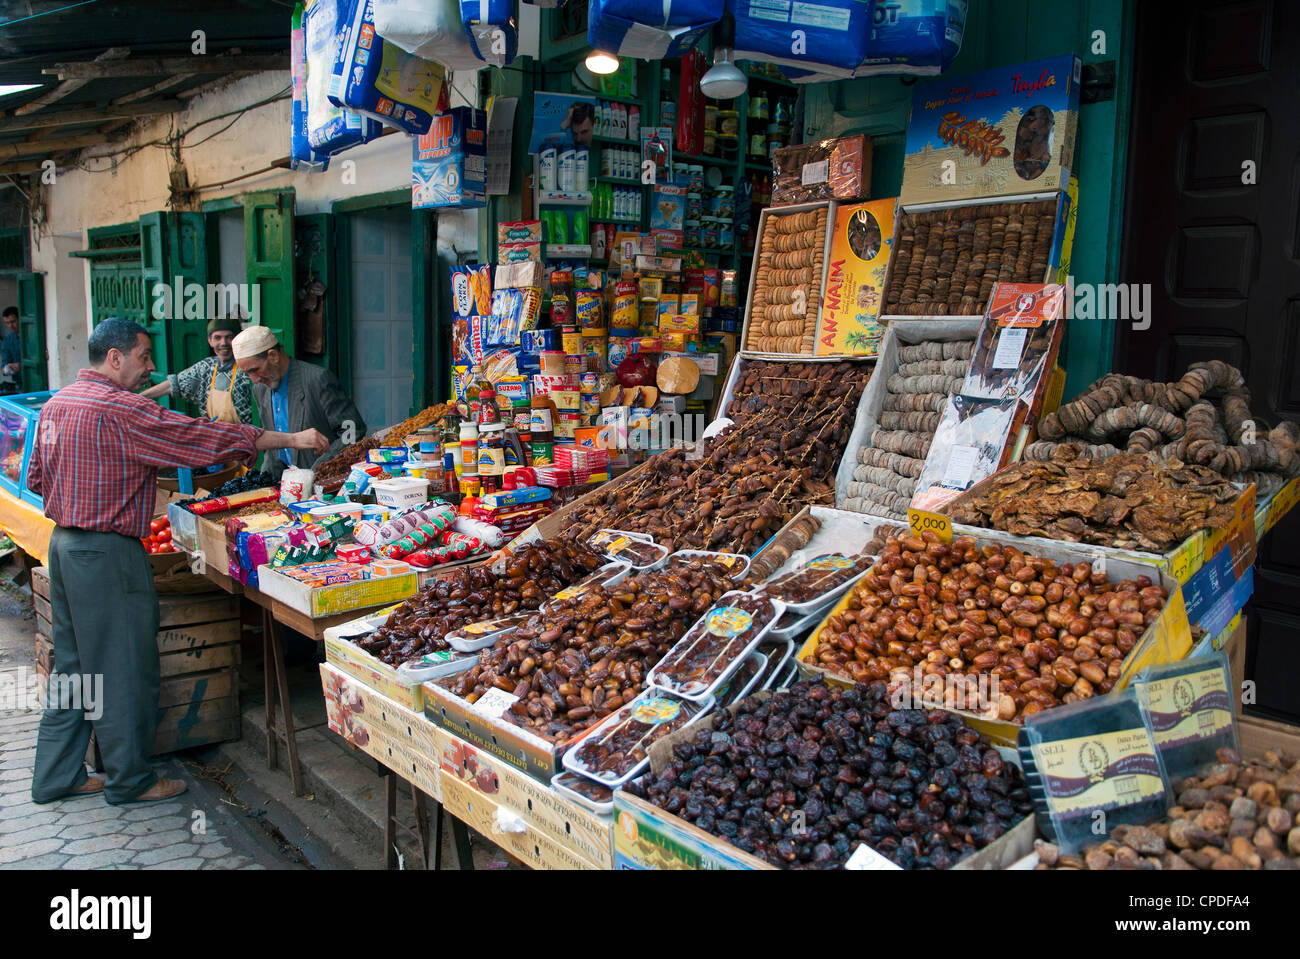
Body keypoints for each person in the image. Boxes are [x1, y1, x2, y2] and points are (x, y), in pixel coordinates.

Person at [28, 318, 327, 805]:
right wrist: (291, 440)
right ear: (115, 358)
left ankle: (56, 774)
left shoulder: (58, 404)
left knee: (74, 667)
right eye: (144, 357)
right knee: (123, 666)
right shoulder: (123, 409)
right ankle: (130, 780)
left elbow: (39, 478)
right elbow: (201, 437)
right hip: (107, 554)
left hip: (63, 546)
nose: (151, 368)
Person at [232, 326, 366, 480]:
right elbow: (272, 448)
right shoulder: (260, 389)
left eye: (255, 370)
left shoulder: (317, 379)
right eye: (248, 374)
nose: (254, 379)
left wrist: (319, 469)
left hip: (323, 483)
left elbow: (353, 431)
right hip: (286, 487)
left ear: (273, 355)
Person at [137, 316, 253, 423]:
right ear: (210, 341)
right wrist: (138, 399)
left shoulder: (247, 369)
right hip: (216, 437)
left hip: (244, 439)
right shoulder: (206, 367)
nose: (223, 343)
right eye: (217, 338)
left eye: (229, 337)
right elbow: (174, 384)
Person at [1, 305, 21, 395]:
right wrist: (9, 368)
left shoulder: (32, 337)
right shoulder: (7, 341)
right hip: (19, 384)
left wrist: (22, 366)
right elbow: (4, 367)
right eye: (7, 323)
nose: (10, 325)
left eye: (13, 322)